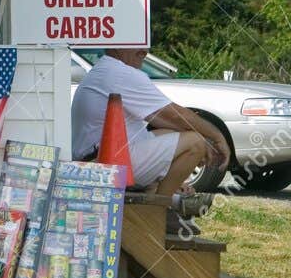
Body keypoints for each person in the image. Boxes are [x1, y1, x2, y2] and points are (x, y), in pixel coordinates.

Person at [70, 47, 228, 194]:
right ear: (117, 45)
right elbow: (176, 116)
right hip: (104, 165)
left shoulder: (105, 69)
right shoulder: (120, 73)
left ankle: (162, 188)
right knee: (195, 142)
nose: (144, 51)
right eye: (137, 44)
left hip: (98, 160)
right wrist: (217, 137)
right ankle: (159, 210)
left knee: (175, 133)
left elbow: (170, 121)